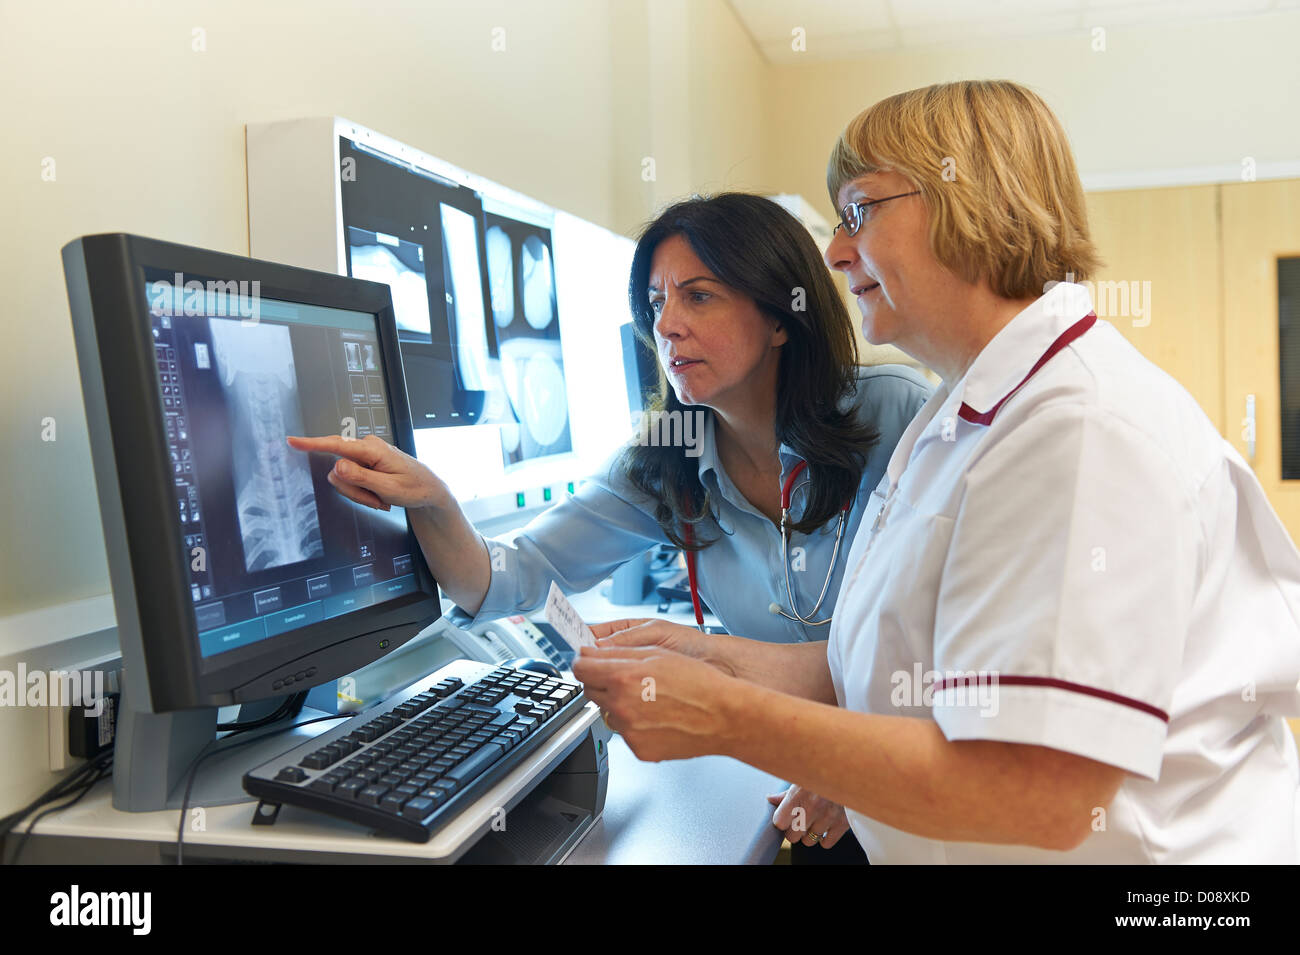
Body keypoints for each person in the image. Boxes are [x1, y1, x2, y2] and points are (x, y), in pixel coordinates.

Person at [573, 80, 1300, 863]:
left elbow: (1038, 792)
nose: (834, 251)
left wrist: (724, 716)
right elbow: (897, 669)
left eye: (860, 210)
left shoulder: (1078, 430)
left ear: (972, 201)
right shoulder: (957, 416)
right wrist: (709, 658)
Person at [287, 192, 932, 862]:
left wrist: (851, 760)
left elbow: (948, 654)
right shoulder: (669, 456)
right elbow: (510, 577)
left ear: (779, 315)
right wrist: (433, 499)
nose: (668, 326)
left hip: (934, 784)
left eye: (698, 297)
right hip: (807, 788)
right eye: (655, 304)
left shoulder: (897, 417)